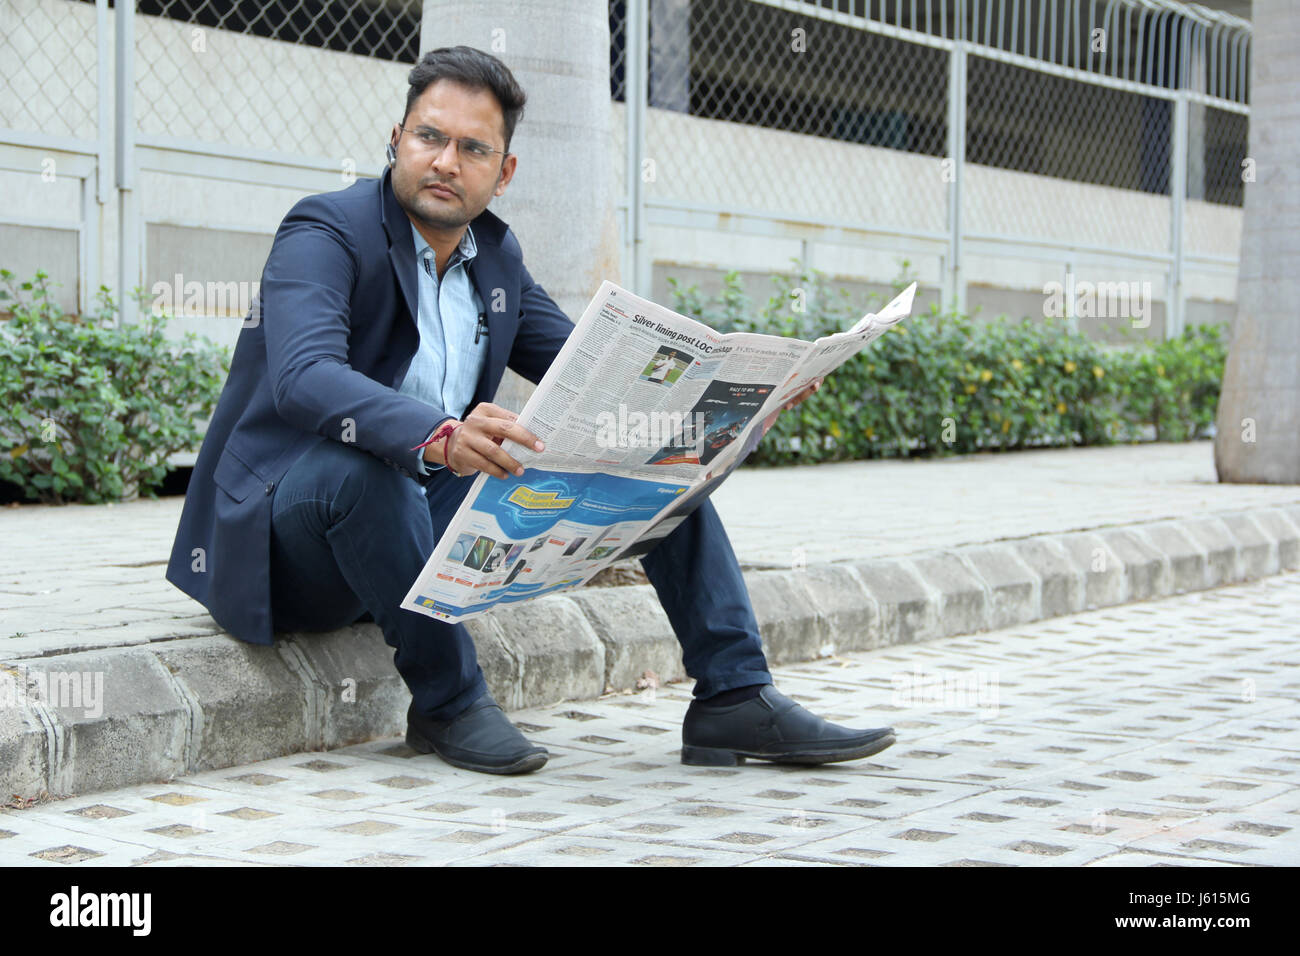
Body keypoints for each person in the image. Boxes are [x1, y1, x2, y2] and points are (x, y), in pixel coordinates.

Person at [165, 45, 897, 775]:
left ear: (503, 172)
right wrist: (440, 435)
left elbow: (604, 374)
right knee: (366, 473)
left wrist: (747, 400)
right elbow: (305, 378)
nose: (446, 161)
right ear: (397, 140)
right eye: (429, 137)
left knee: (654, 458)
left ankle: (734, 695)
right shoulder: (325, 231)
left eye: (472, 148)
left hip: (413, 528)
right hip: (290, 544)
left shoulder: (495, 260)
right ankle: (447, 706)